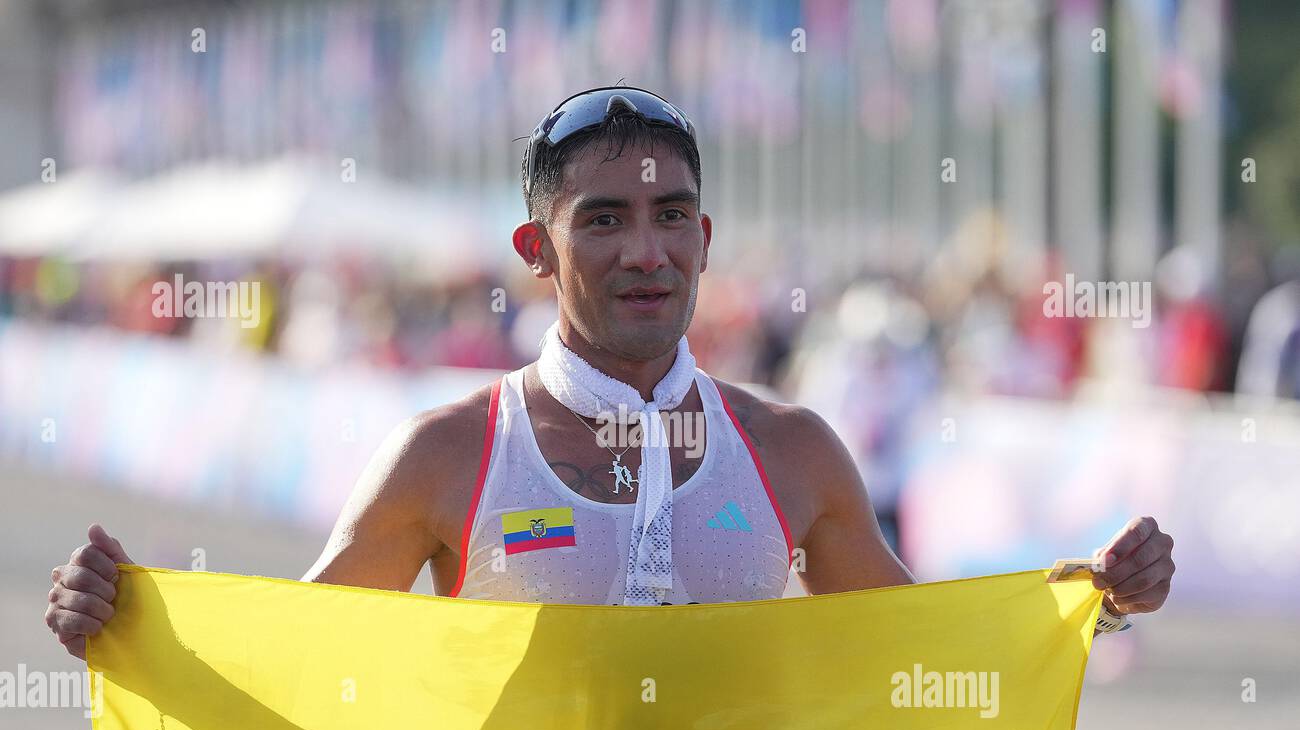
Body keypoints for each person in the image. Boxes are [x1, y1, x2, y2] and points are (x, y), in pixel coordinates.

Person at [45, 87, 1175, 657]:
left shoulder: (790, 450)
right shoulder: (447, 455)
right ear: (535, 251)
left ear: (705, 239)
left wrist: (1093, 604)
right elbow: (296, 658)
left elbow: (924, 655)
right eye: (606, 220)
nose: (645, 249)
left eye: (671, 216)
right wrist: (135, 625)